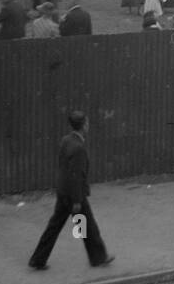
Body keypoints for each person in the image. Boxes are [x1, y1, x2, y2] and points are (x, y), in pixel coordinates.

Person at [28, 110, 114, 271]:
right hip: (74, 195)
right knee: (87, 226)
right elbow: (76, 176)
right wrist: (76, 201)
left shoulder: (66, 140)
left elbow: (64, 169)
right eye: (87, 123)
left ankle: (38, 259)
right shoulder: (78, 148)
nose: (88, 125)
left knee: (54, 227)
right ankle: (98, 258)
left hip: (63, 192)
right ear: (84, 126)